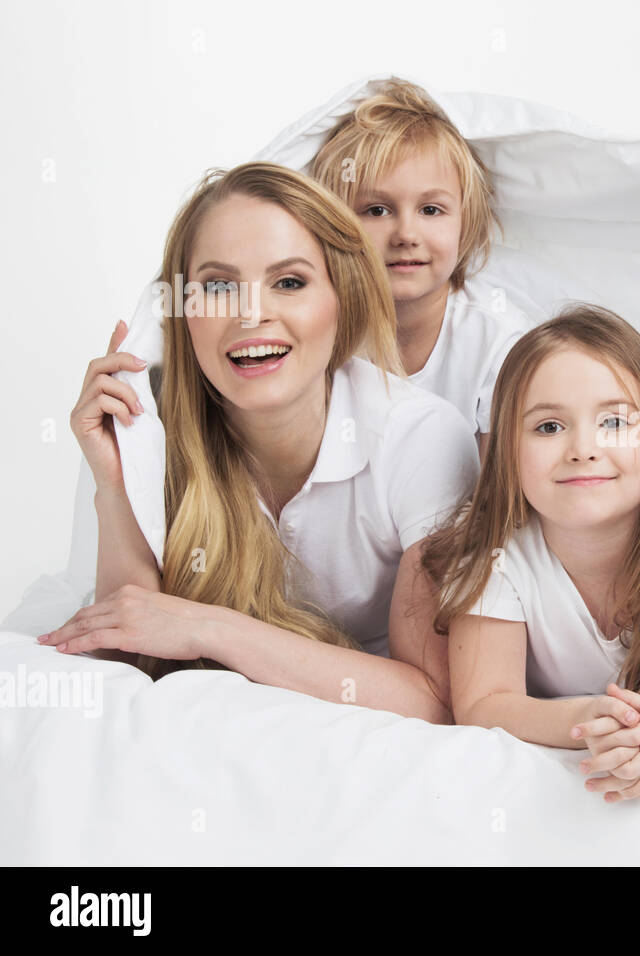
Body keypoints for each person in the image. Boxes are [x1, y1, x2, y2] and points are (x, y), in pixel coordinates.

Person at [39, 163, 479, 722]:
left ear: (342, 297)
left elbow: (434, 699)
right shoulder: (159, 431)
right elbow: (128, 651)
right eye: (219, 287)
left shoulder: (420, 438)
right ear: (180, 314)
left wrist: (210, 628)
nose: (251, 314)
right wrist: (118, 482)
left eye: (289, 282)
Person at [424, 304, 640, 800]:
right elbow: (484, 704)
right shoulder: (494, 550)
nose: (583, 449)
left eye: (615, 422)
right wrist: (587, 718)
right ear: (508, 450)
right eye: (549, 427)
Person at [311, 78, 530, 458]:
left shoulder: (496, 341)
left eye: (431, 210)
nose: (406, 234)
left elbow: (498, 497)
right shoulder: (319, 330)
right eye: (376, 210)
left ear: (466, 223)